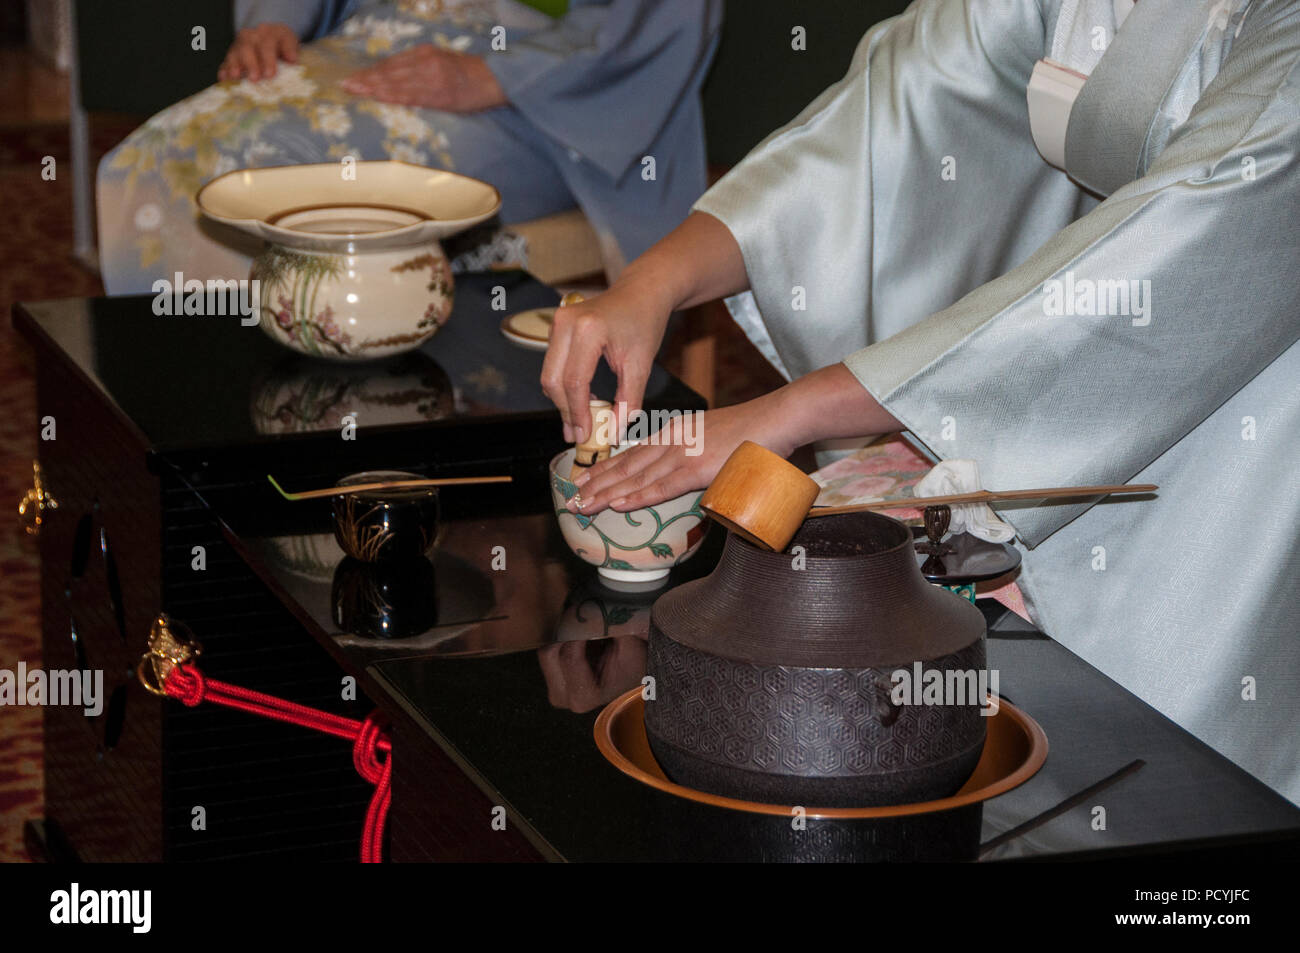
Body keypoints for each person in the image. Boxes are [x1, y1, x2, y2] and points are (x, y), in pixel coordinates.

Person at [543, 0, 1300, 803]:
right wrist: (650, 285)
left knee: (1177, 780)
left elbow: (1176, 243)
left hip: (1244, 427)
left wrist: (783, 415)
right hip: (1053, 385)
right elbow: (879, 128)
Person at [96, 0, 721, 293]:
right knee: (154, 163)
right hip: (367, 39)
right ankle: (197, 460)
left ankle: (334, 473)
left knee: (310, 195)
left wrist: (497, 75)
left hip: (549, 96)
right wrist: (274, 18)